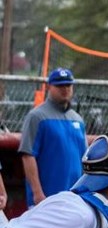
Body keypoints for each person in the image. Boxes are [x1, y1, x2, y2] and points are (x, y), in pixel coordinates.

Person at [18, 68, 88, 207]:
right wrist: (37, 193)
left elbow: (84, 159)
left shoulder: (78, 119)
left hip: (74, 199)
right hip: (45, 199)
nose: (65, 89)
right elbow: (28, 155)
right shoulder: (37, 116)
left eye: (68, 85)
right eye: (60, 85)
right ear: (50, 86)